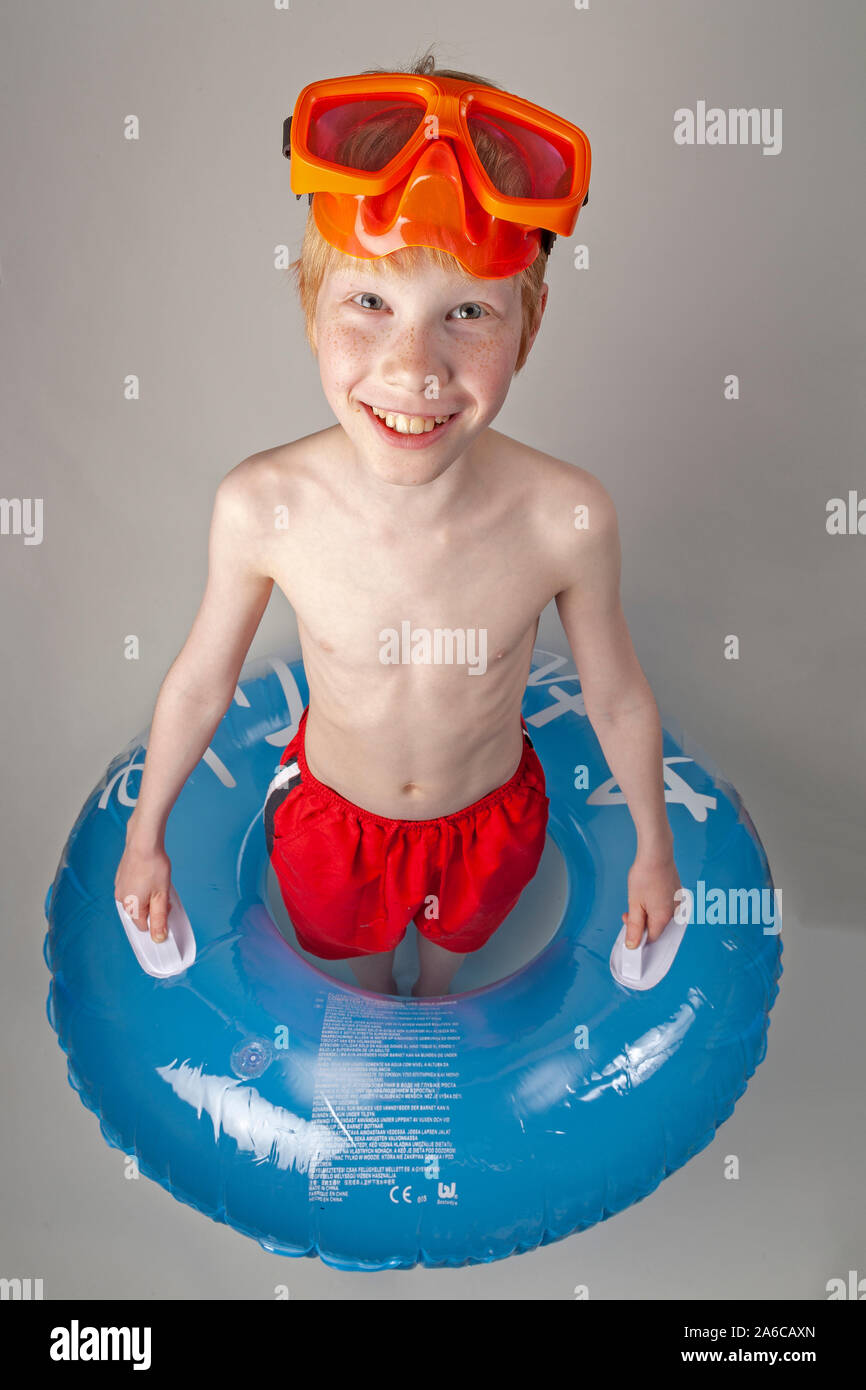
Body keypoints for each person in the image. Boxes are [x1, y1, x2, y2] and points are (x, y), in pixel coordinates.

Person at [115, 49, 682, 997]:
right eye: (370, 302)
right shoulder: (266, 505)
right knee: (364, 997)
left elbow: (619, 697)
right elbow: (198, 682)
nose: (413, 367)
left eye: (466, 312)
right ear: (311, 306)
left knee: (450, 992)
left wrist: (654, 853)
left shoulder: (565, 516)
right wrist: (146, 841)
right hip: (335, 829)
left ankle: (449, 1021)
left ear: (527, 333)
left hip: (491, 824)